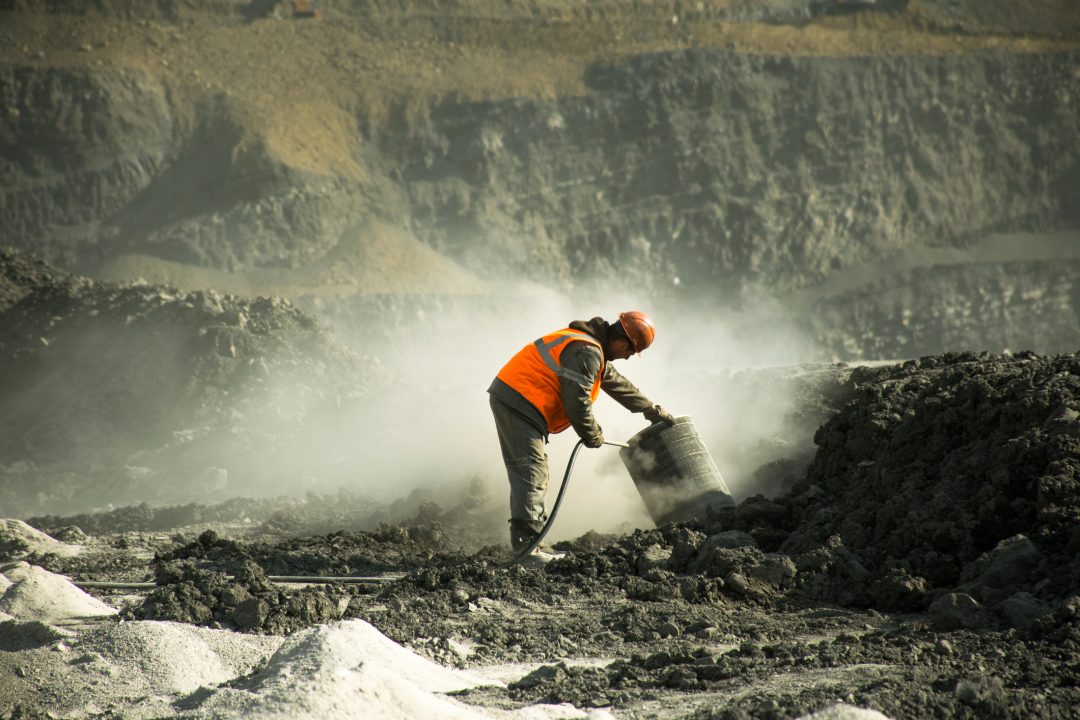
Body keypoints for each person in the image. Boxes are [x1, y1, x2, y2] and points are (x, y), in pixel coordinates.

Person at [488, 311, 675, 564]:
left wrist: (651, 410)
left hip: (519, 398)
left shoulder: (590, 346)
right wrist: (593, 434)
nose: (628, 357)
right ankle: (527, 551)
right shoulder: (587, 352)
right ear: (622, 342)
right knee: (531, 472)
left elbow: (617, 383)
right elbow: (576, 402)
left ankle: (533, 543)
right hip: (520, 400)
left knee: (534, 471)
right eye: (630, 351)